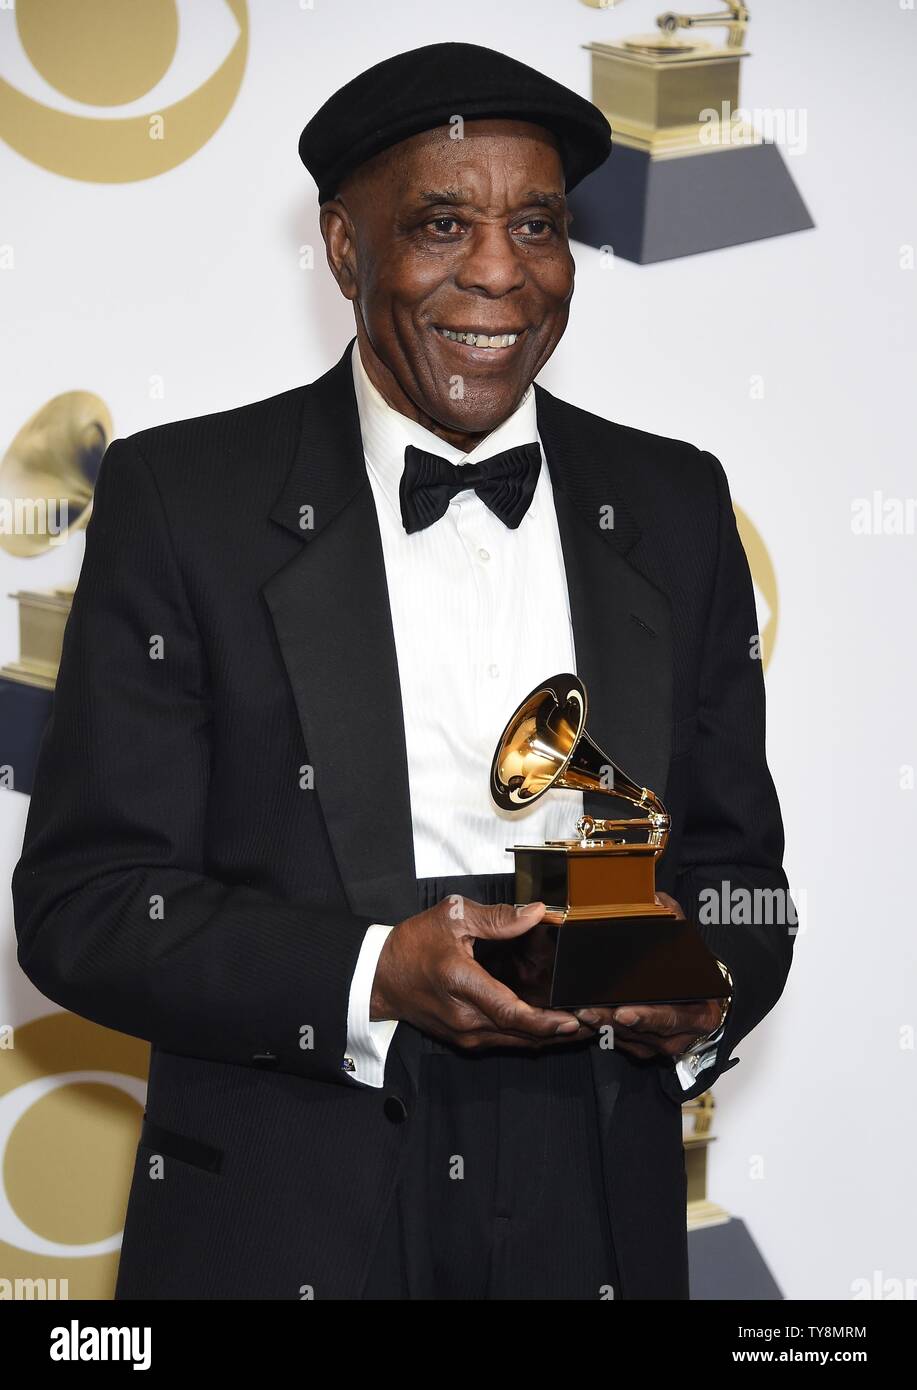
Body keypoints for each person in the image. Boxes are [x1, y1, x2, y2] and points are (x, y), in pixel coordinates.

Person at [12, 41, 792, 1300]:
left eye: (536, 224)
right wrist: (370, 971)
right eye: (441, 223)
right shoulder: (182, 500)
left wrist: (695, 990)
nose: (498, 270)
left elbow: (743, 883)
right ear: (340, 247)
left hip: (597, 1199)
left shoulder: (675, 501)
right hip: (289, 1201)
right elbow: (86, 902)